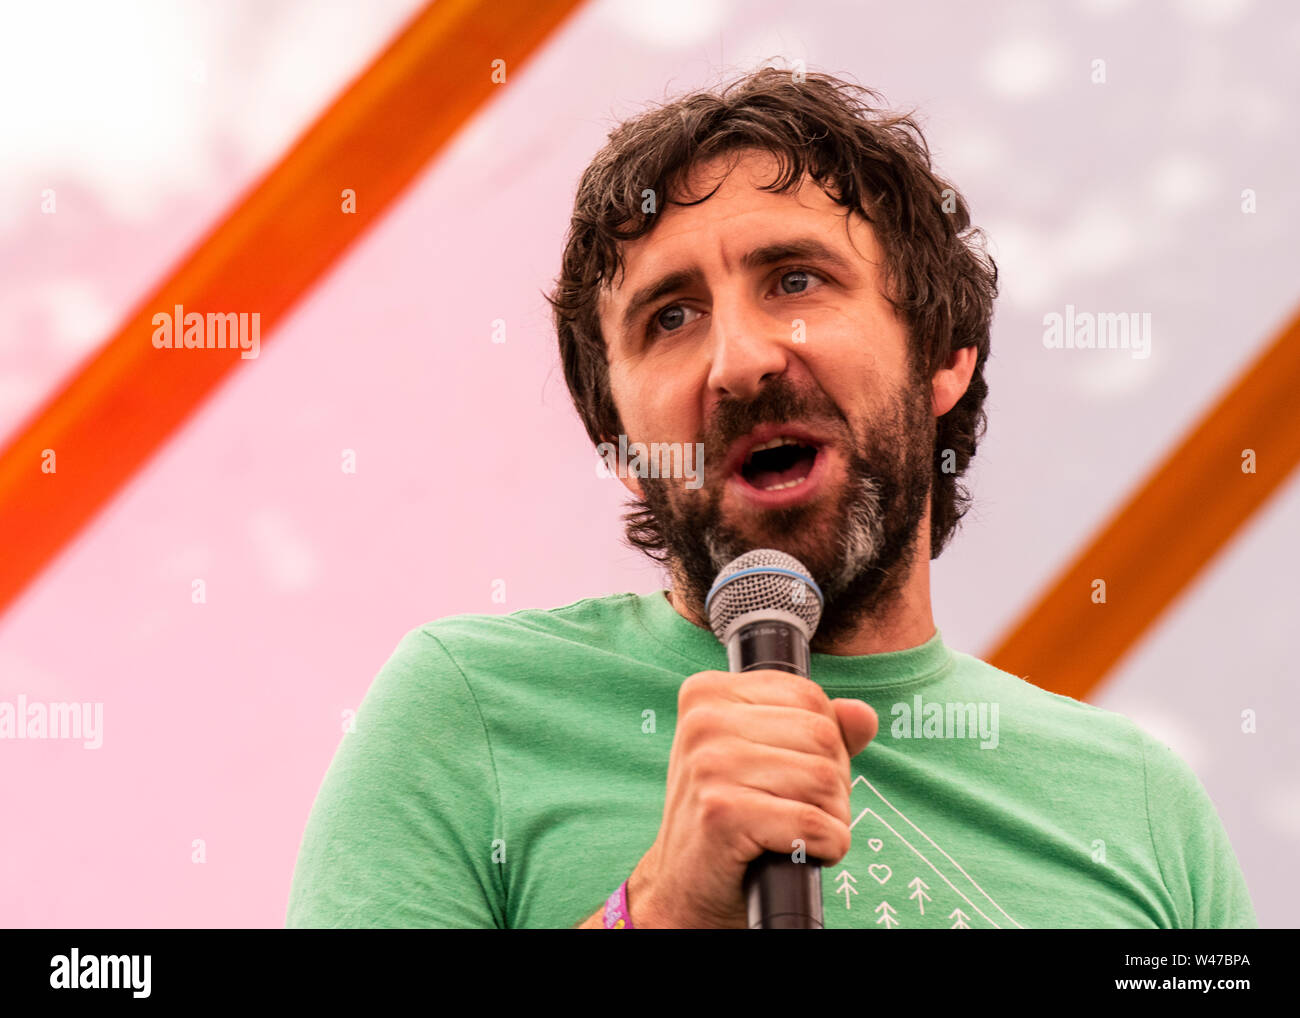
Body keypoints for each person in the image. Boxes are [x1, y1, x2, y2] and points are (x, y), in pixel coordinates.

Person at [286, 68, 1256, 929]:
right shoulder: (469, 713)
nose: (739, 360)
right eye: (670, 316)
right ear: (620, 447)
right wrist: (661, 910)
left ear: (942, 356)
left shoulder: (1137, 809)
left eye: (796, 278)